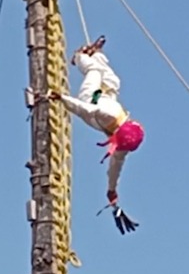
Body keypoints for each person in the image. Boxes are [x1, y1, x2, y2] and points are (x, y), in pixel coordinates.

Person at [47, 35, 144, 232]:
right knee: (113, 81)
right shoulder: (122, 131)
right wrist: (111, 190)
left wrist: (62, 98)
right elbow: (115, 168)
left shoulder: (111, 121)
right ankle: (96, 54)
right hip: (107, 97)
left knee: (94, 71)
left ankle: (79, 56)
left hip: (90, 99)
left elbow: (84, 109)